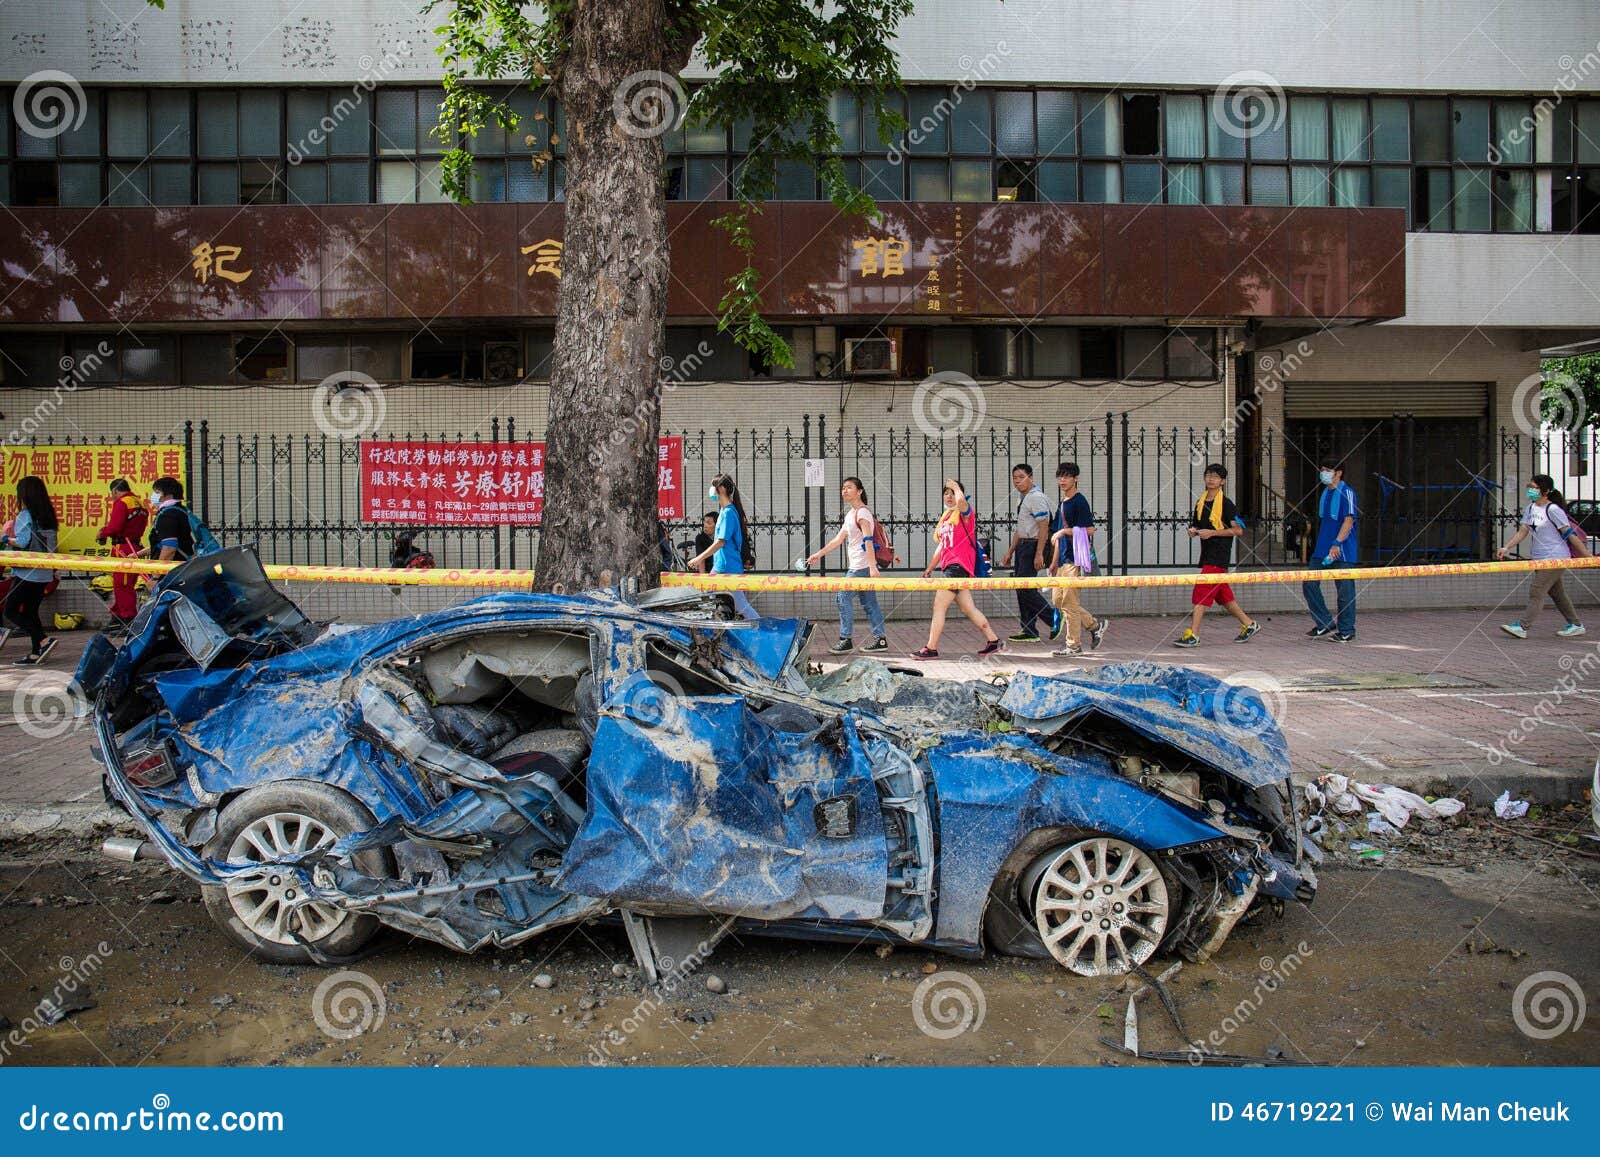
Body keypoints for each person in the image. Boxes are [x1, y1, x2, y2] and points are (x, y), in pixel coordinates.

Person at [911, 478, 1001, 660]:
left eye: (953, 493)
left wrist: (956, 487)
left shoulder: (965, 514)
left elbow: (961, 502)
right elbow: (942, 546)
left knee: (939, 605)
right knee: (968, 608)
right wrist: (930, 567)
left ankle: (931, 648)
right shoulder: (946, 518)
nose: (949, 496)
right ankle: (994, 641)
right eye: (946, 493)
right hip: (951, 567)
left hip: (957, 568)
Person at [1174, 464, 1260, 647]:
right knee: (1224, 597)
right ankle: (1249, 624)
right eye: (1208, 475)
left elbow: (1238, 531)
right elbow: (1197, 524)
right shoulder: (1201, 502)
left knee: (1201, 592)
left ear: (1223, 481)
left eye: (1215, 476)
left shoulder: (1227, 504)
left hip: (1219, 556)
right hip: (1207, 554)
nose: (1211, 479)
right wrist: (1193, 531)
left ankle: (1193, 634)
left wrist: (1212, 533)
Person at [1497, 473, 1590, 638]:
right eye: (1530, 487)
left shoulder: (1553, 509)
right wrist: (1506, 547)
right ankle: (1576, 624)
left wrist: (1588, 556)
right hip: (1540, 559)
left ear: (1545, 491)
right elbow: (1523, 531)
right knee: (1557, 593)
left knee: (1537, 590)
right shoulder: (1531, 508)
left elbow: (1570, 534)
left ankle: (1523, 627)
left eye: (1534, 488)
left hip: (1555, 558)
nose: (1530, 491)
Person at [803, 476, 888, 655]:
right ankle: (880, 639)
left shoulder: (863, 513)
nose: (844, 490)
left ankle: (846, 639)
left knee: (842, 597)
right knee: (869, 603)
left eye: (849, 487)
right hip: (860, 566)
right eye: (843, 488)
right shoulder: (851, 514)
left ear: (859, 492)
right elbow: (838, 539)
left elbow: (868, 540)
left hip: (862, 567)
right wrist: (818, 555)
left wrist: (872, 567)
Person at [1047, 462, 1107, 657]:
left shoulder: (1080, 501)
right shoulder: (1062, 503)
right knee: (1058, 601)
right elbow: (1058, 535)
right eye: (1060, 476)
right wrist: (1054, 562)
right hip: (1063, 559)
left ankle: (1073, 646)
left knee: (1070, 604)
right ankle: (1094, 625)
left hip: (1075, 559)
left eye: (1066, 476)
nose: (1062, 480)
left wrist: (1064, 531)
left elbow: (1090, 529)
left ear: (1076, 478)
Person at [0, 476, 60, 665]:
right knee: (30, 611)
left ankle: (43, 639)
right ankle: (36, 653)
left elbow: (23, 542)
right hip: (43, 572)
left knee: (10, 609)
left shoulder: (25, 515)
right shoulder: (48, 516)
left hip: (26, 572)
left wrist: (6, 540)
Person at [687, 472, 758, 620]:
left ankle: (764, 628)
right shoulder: (725, 512)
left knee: (739, 606)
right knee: (712, 600)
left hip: (727, 567)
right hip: (722, 566)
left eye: (713, 486)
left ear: (722, 489)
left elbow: (721, 542)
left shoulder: (727, 513)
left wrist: (698, 558)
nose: (711, 490)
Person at [1000, 463, 1057, 644]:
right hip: (1023, 546)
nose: (1017, 481)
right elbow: (1021, 528)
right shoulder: (1022, 498)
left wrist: (1039, 553)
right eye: (1014, 477)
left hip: (1033, 545)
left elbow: (1043, 525)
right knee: (1022, 587)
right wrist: (1010, 551)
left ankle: (1053, 617)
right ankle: (1029, 629)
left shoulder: (1036, 498)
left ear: (1030, 478)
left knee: (1025, 588)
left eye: (1021, 477)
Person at [1302, 458, 1358, 641]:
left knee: (1345, 592)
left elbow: (1348, 521)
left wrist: (1337, 543)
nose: (1323, 472)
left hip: (1342, 550)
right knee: (1309, 583)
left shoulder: (1347, 493)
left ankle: (1347, 630)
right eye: (1322, 469)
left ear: (1339, 472)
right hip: (1322, 549)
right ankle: (1324, 623)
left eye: (1328, 469)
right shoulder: (1326, 493)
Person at [96, 477, 148, 625]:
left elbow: (115, 527)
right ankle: (118, 614)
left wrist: (102, 533)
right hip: (135, 546)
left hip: (123, 548)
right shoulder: (139, 503)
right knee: (125, 583)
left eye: (111, 493)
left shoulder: (122, 502)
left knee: (122, 585)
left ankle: (127, 618)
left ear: (115, 490)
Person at [141, 476, 195, 562]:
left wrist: (157, 574)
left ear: (169, 495)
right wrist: (140, 553)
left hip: (173, 570)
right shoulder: (181, 510)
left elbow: (169, 547)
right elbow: (162, 543)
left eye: (157, 492)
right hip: (184, 565)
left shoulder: (167, 515)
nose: (154, 496)